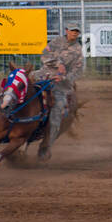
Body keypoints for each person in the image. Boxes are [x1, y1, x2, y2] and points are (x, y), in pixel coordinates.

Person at [31, 22, 83, 161]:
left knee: (57, 113)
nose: (74, 33)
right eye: (72, 30)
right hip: (43, 73)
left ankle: (46, 146)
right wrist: (58, 64)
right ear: (66, 31)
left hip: (60, 84)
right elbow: (44, 55)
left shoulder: (78, 50)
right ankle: (2, 112)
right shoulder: (56, 41)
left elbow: (78, 71)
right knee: (19, 83)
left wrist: (64, 78)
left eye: (76, 31)